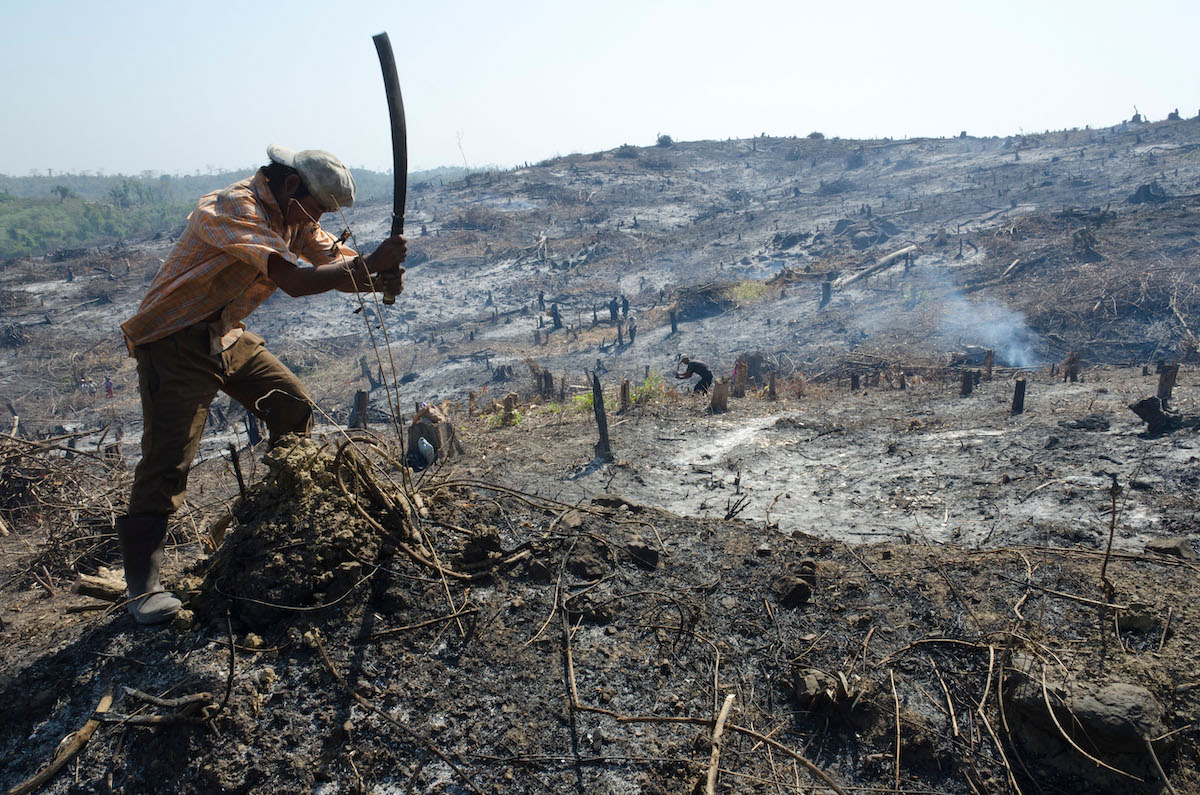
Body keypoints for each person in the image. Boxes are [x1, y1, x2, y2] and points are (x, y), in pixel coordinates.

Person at [115, 145, 407, 625]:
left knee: (292, 405)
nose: (317, 220)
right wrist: (372, 262)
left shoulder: (294, 214)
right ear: (291, 185)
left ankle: (281, 510)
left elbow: (334, 262)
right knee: (169, 458)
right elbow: (295, 281)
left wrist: (379, 277)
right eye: (316, 208)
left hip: (222, 332)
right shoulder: (234, 206)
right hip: (174, 339)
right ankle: (142, 589)